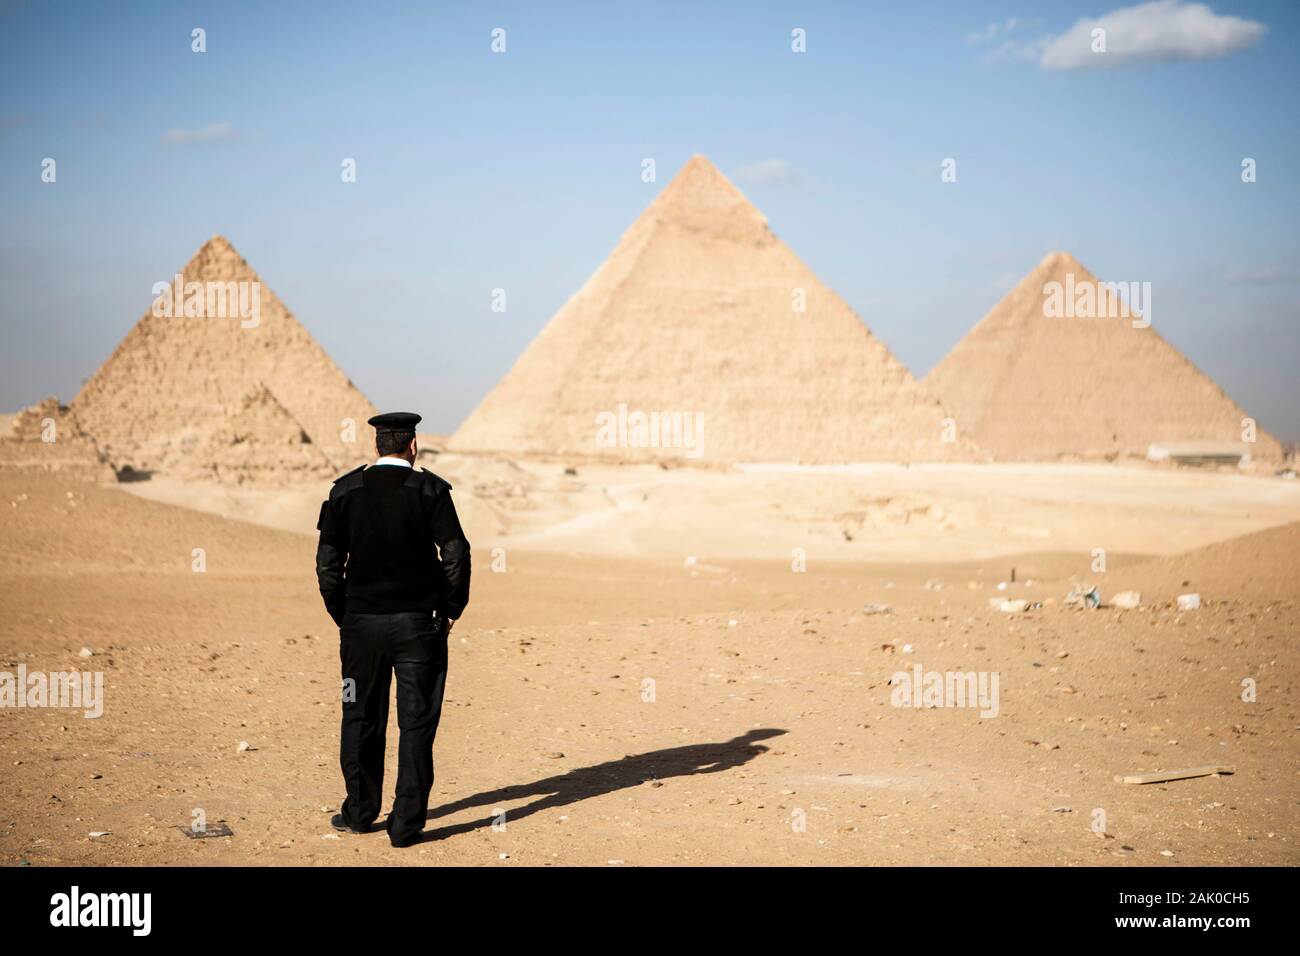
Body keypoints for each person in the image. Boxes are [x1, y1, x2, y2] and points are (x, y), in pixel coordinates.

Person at [314, 411, 471, 847]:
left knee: (359, 716)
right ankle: (405, 827)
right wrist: (451, 607)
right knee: (417, 723)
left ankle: (361, 814)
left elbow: (328, 564)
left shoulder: (344, 492)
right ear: (413, 446)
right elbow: (456, 554)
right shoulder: (430, 490)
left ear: (375, 447)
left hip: (361, 628)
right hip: (419, 627)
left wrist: (344, 614)